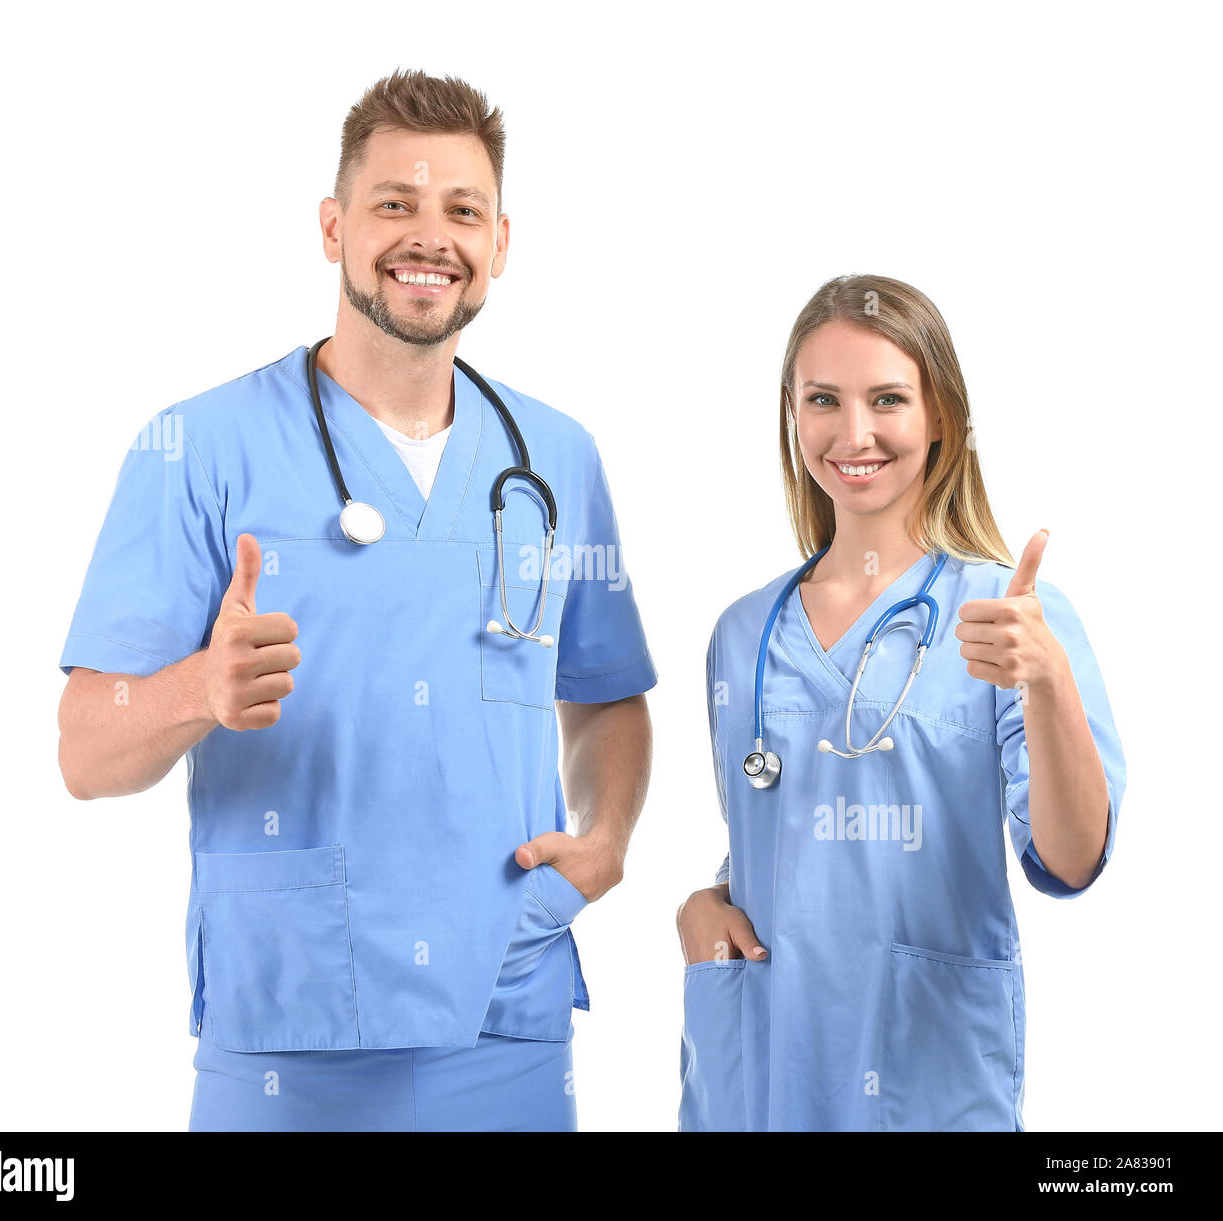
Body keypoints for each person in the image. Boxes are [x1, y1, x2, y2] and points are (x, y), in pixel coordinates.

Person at [56, 69, 656, 1132]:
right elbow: (84, 754)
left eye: (461, 210)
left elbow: (603, 695)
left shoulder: (556, 456)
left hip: (507, 1009)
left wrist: (606, 836)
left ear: (501, 244)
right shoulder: (197, 445)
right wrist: (198, 688)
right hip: (290, 1030)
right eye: (394, 204)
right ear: (332, 227)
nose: (430, 236)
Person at [675, 274, 1125, 1131]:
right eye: (822, 399)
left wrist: (1048, 681)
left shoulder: (1005, 617)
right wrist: (706, 901)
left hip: (927, 1081)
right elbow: (783, 848)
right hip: (762, 1076)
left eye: (888, 398)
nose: (855, 433)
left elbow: (1070, 859)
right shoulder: (744, 635)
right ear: (792, 415)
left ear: (941, 418)